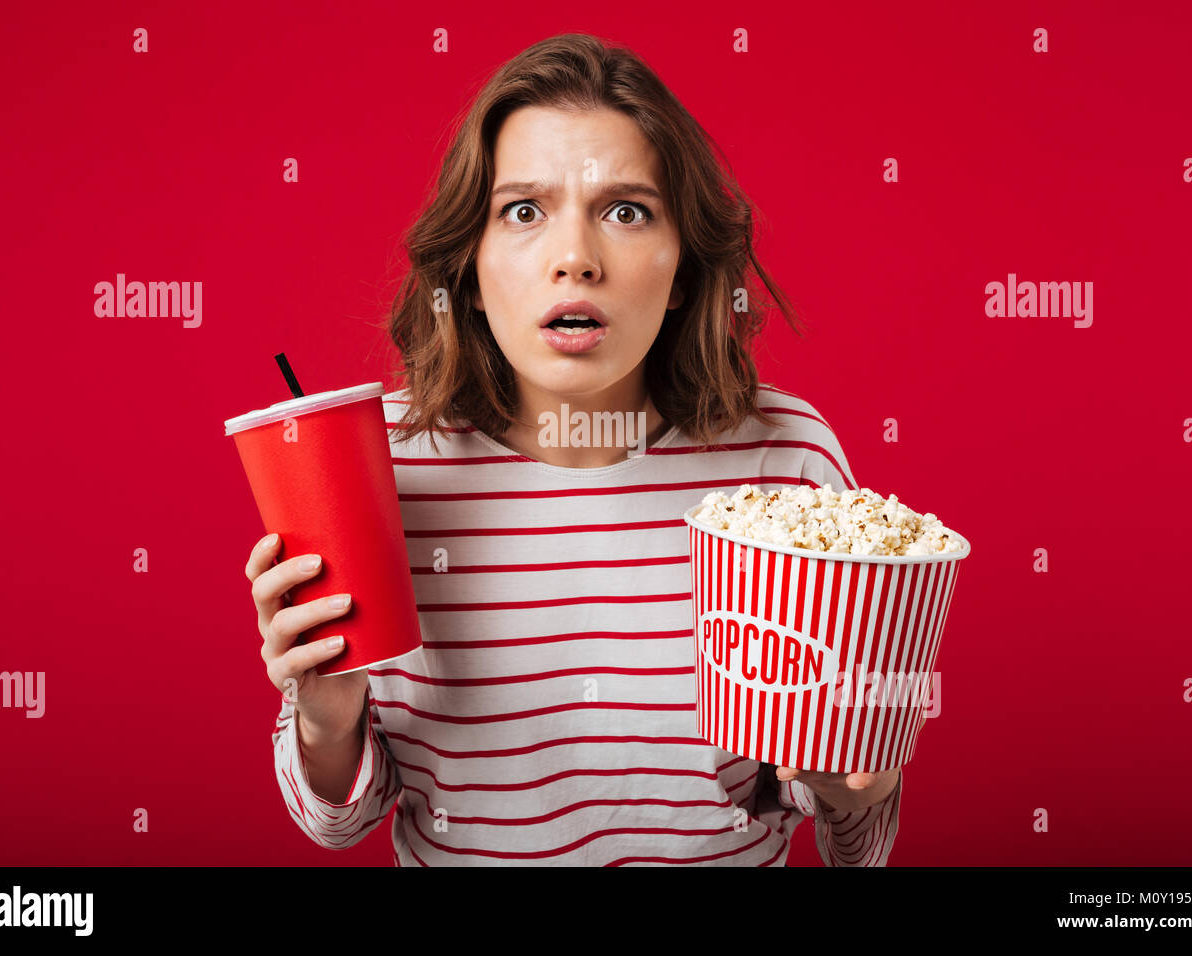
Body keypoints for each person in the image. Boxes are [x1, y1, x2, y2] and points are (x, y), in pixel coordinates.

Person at [247, 32, 902, 866]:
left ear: (683, 269)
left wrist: (857, 779)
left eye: (626, 212)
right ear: (472, 272)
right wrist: (326, 718)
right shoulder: (380, 468)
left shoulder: (787, 465)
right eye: (523, 212)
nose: (575, 260)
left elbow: (859, 846)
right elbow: (338, 823)